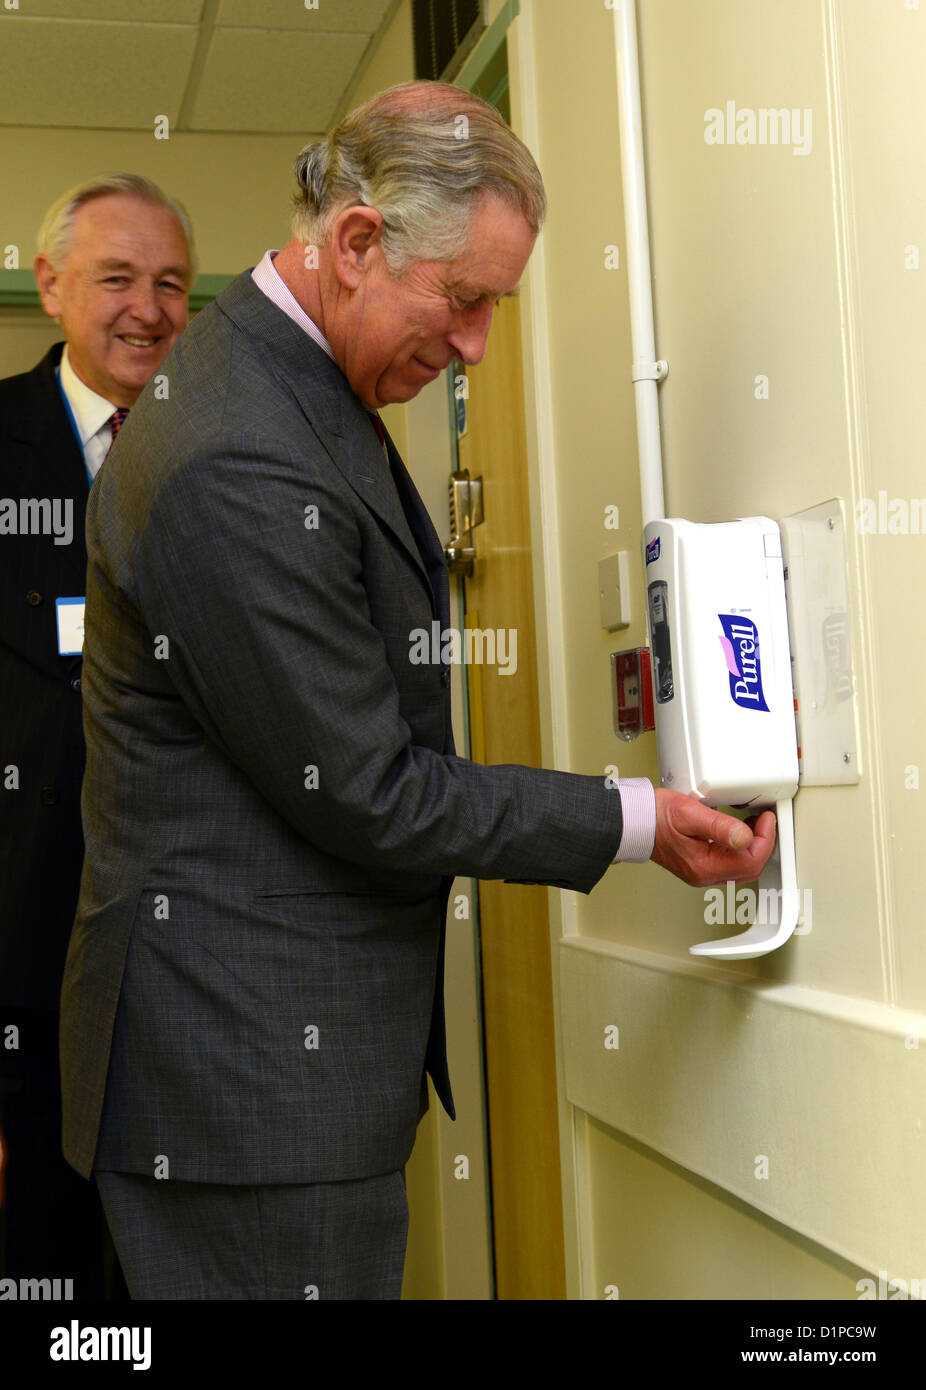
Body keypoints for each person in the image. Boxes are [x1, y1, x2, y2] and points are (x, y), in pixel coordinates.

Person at [59, 83, 775, 1301]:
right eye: (465, 299)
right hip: (245, 1095)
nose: (478, 343)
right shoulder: (234, 449)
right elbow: (368, 792)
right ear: (353, 243)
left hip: (273, 1072)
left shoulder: (288, 384)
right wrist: (639, 821)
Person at [0, 174, 195, 1297]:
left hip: (196, 974)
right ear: (50, 285)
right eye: (117, 277)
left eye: (171, 283)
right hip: (29, 972)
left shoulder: (220, 452)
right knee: (49, 1271)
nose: (148, 308)